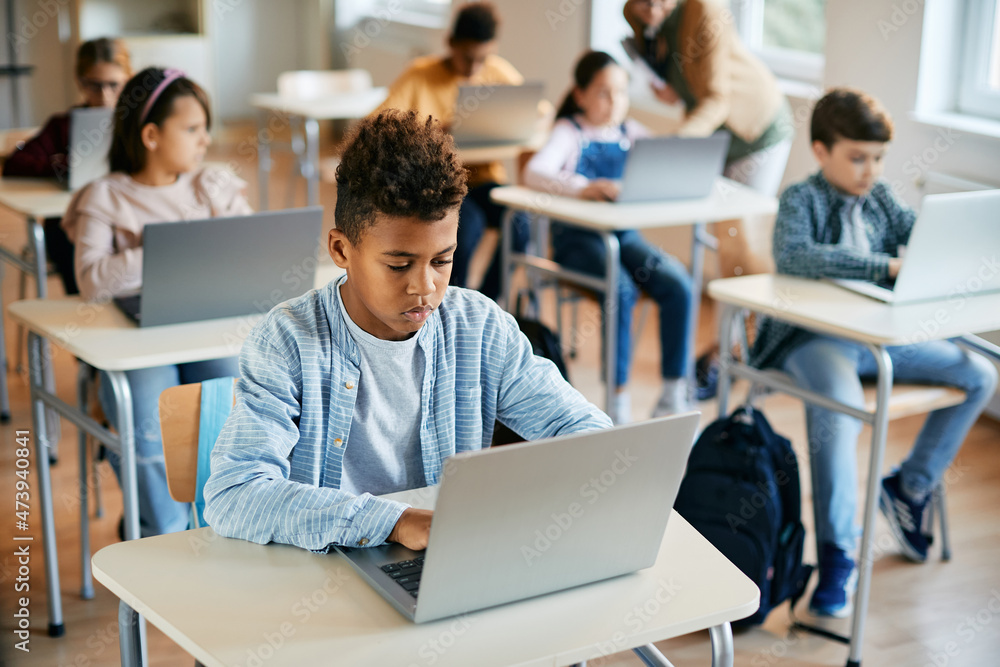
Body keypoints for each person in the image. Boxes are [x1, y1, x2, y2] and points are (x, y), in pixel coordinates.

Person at [204, 109, 612, 552]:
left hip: (442, 557)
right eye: (399, 265)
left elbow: (583, 430)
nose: (425, 287)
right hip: (323, 565)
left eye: (442, 260)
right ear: (341, 249)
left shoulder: (480, 327)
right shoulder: (287, 340)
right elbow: (235, 493)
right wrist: (394, 522)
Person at [751, 88, 998, 618]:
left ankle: (909, 488)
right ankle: (838, 556)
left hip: (878, 338)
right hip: (811, 339)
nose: (871, 170)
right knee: (840, 413)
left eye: (879, 158)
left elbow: (923, 237)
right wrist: (883, 266)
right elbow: (795, 256)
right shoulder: (800, 198)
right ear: (821, 150)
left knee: (980, 375)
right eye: (858, 157)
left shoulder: (881, 196)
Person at [62, 67, 253, 537]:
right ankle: (161, 533)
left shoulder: (212, 186)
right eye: (192, 129)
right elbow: (91, 279)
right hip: (135, 339)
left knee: (235, 401)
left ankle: (219, 524)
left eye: (205, 128)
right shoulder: (105, 197)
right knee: (149, 421)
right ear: (151, 136)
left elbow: (247, 248)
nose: (205, 140)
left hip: (207, 329)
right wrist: (169, 250)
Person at [523, 51, 694, 424]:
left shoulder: (631, 132)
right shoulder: (569, 131)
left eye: (621, 92)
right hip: (578, 243)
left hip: (624, 239)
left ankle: (672, 395)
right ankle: (618, 401)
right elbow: (534, 172)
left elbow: (670, 159)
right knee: (622, 290)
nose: (614, 101)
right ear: (580, 94)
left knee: (679, 284)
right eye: (603, 92)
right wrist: (583, 187)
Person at [373, 1, 529, 300]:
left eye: (483, 59)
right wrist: (436, 131)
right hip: (438, 184)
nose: (474, 68)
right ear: (451, 43)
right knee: (466, 227)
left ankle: (485, 300)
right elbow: (379, 125)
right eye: (468, 58)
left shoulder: (497, 72)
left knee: (521, 223)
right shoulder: (420, 75)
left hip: (483, 180)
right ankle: (451, 301)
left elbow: (536, 113)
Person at [3, 37, 132, 295]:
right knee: (77, 246)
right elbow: (15, 163)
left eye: (113, 85)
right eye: (94, 85)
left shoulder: (140, 127)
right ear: (80, 82)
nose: (104, 95)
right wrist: (63, 166)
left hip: (126, 216)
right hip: (71, 225)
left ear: (128, 81)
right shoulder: (63, 125)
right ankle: (85, 306)